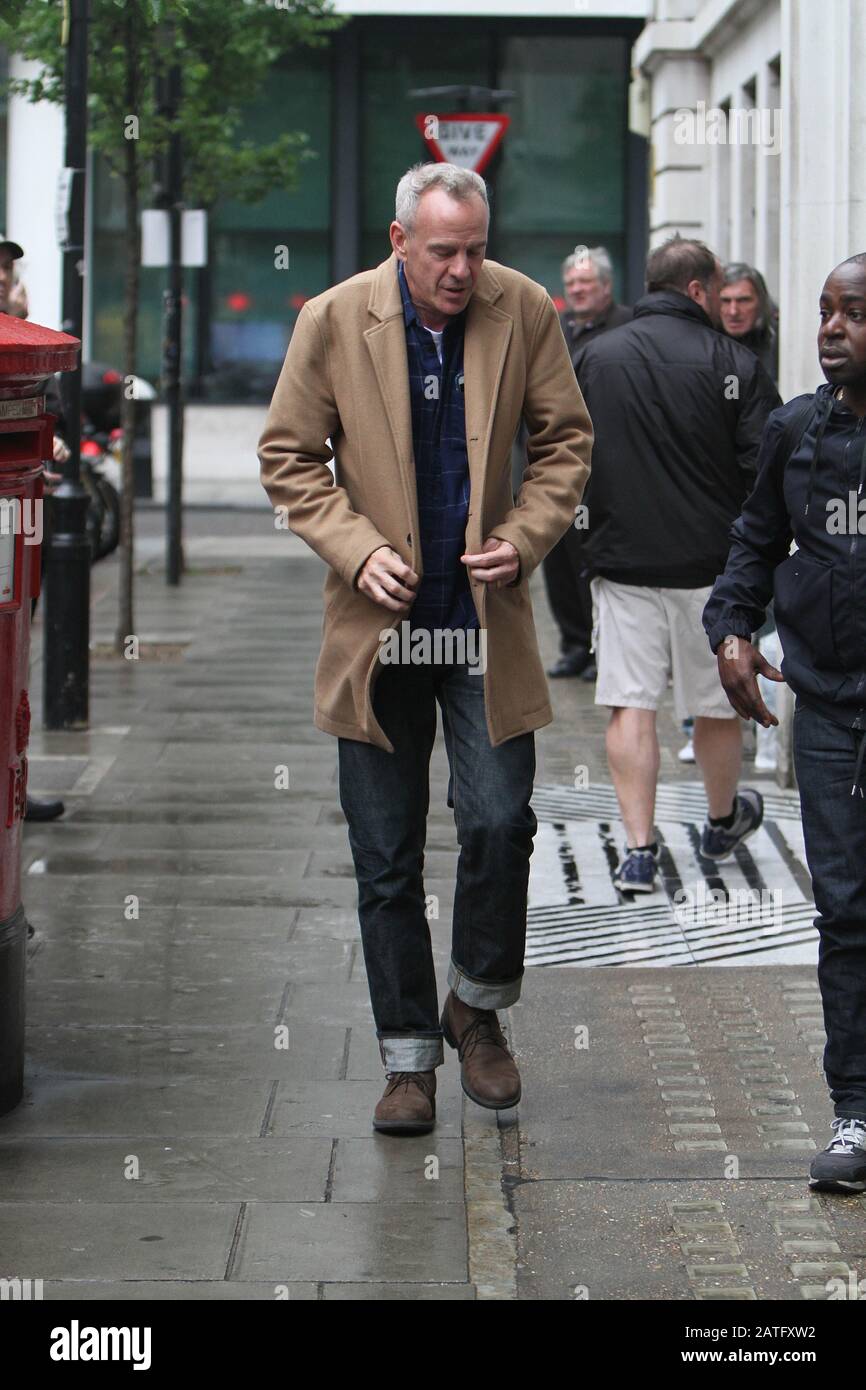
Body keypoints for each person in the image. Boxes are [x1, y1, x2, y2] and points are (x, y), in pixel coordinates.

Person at [258, 163, 592, 1135]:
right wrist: (355, 550)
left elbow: (565, 440)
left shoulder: (522, 308)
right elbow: (288, 453)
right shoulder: (333, 317)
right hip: (378, 631)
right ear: (399, 240)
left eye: (474, 249)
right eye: (442, 250)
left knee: (498, 821)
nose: (461, 270)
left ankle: (475, 1006)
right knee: (385, 857)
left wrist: (524, 536)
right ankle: (407, 1062)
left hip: (481, 625)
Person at [703, 252, 866, 1193]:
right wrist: (731, 628)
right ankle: (856, 1110)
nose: (832, 328)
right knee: (846, 914)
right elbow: (754, 543)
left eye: (854, 314)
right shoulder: (795, 430)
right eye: (823, 312)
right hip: (832, 717)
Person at [572, 234, 780, 894]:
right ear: (697, 291)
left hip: (622, 563)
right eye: (718, 294)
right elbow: (767, 471)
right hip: (713, 569)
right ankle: (721, 820)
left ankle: (638, 849)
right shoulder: (735, 363)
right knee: (717, 704)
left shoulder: (595, 357)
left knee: (630, 706)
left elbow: (562, 455)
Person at [0, 235, 67, 822]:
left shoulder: (20, 338)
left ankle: (13, 773)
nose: (3, 278)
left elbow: (54, 412)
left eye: (6, 269)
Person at [543, 246, 632, 681]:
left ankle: (603, 648)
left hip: (606, 471)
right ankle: (575, 645)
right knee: (558, 561)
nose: (577, 290)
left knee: (596, 561)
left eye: (586, 283)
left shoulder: (628, 328)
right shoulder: (555, 330)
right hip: (550, 470)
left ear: (606, 287)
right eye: (572, 284)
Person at [720, 262, 779, 383]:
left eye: (743, 300)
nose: (733, 311)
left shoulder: (779, 340)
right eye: (725, 301)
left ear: (761, 302)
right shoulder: (706, 343)